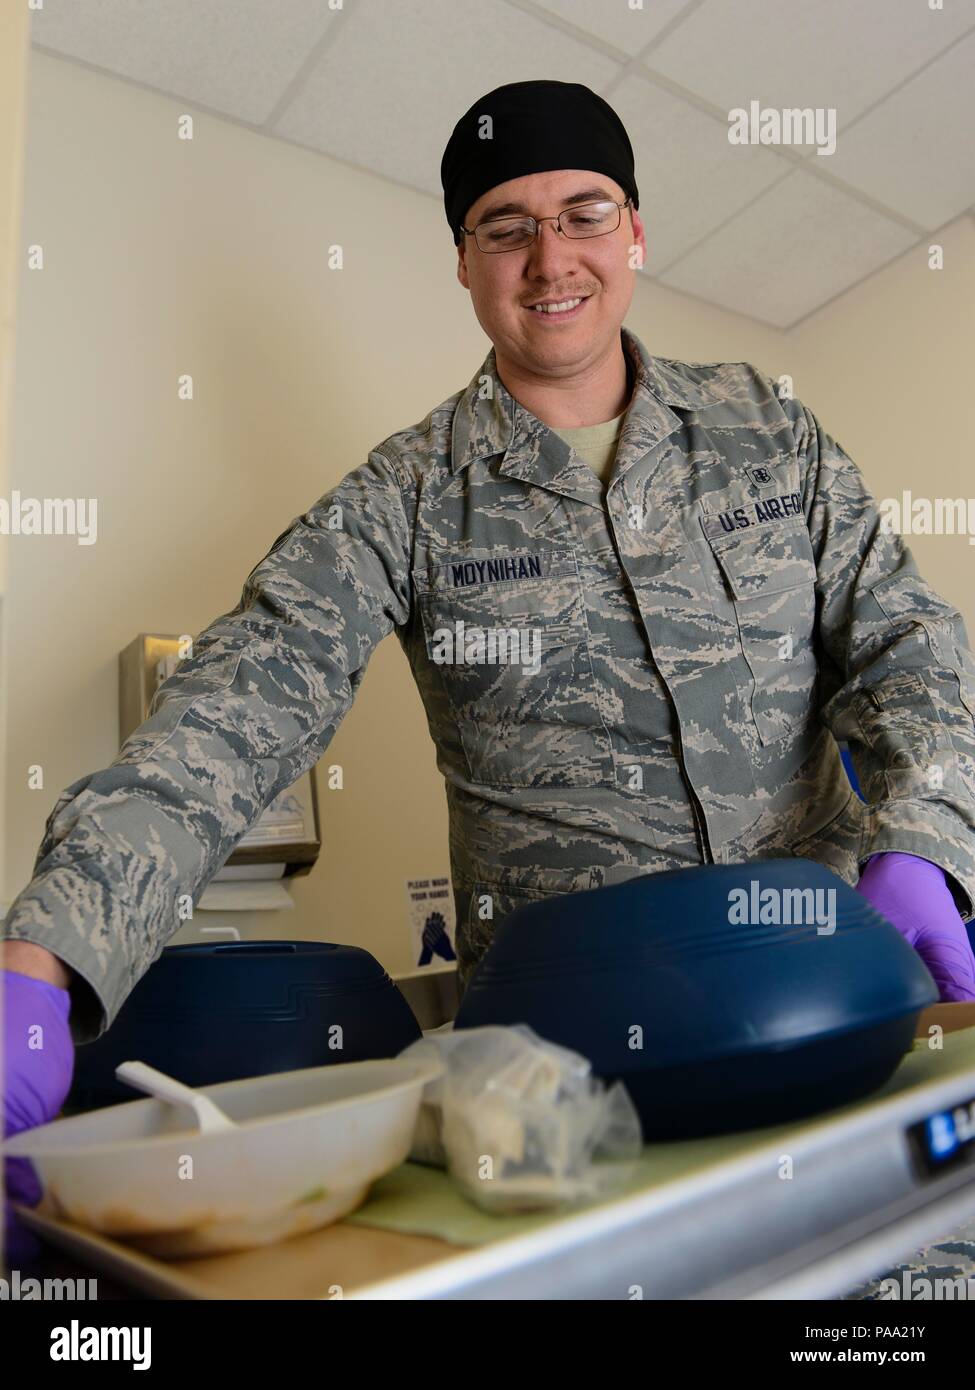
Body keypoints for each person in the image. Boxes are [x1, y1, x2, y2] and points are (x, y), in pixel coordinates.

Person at [4, 80, 975, 1261]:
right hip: (578, 1107)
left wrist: (922, 841)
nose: (549, 257)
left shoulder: (772, 434)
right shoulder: (401, 502)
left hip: (849, 1023)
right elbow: (237, 707)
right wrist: (45, 953)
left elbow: (910, 646)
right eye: (505, 226)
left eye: (583, 211)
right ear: (463, 261)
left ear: (636, 231)